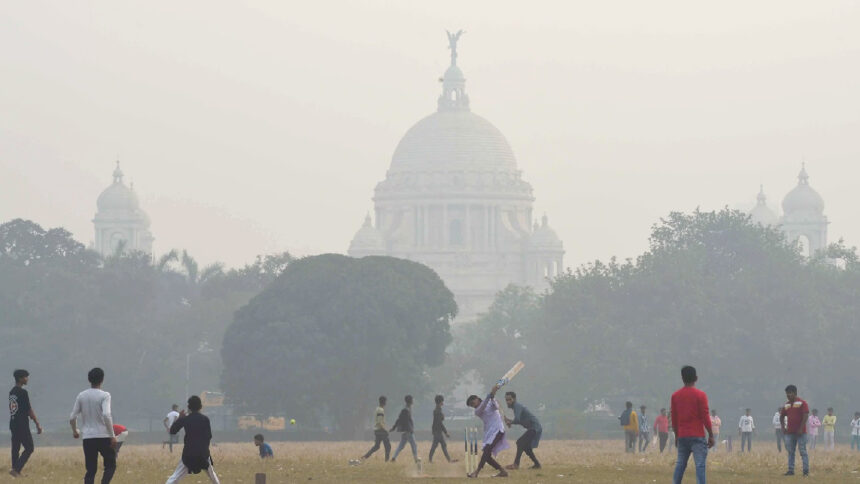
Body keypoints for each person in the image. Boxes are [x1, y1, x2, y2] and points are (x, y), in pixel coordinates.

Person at [70, 367, 117, 484]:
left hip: (88, 437)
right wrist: (112, 435)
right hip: (103, 435)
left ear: (89, 379)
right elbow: (106, 414)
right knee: (110, 464)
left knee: (90, 470)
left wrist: (75, 430)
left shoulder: (81, 395)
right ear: (102, 380)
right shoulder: (105, 395)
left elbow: (72, 417)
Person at [670, 365, 713, 484]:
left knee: (680, 463)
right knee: (700, 465)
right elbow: (705, 417)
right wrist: (711, 434)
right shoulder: (701, 395)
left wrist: (677, 435)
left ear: (682, 378)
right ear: (696, 378)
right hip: (697, 435)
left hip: (683, 435)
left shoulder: (675, 396)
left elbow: (674, 418)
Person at [165, 395, 220, 483]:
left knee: (174, 478)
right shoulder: (205, 419)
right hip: (203, 454)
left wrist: (179, 418)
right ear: (200, 406)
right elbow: (209, 436)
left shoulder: (185, 419)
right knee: (213, 476)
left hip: (188, 454)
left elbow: (172, 431)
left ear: (189, 407)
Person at [466, 384, 509, 478]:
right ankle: (503, 471)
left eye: (473, 403)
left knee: (486, 452)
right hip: (490, 433)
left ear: (477, 398)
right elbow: (483, 406)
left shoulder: (489, 402)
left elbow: (497, 406)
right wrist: (490, 395)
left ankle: (476, 472)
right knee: (487, 455)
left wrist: (492, 396)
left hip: (498, 430)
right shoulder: (477, 411)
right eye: (471, 405)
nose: (473, 406)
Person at [9, 369, 42, 478]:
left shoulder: (12, 392)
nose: (27, 379)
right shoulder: (23, 392)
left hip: (13, 423)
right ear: (20, 378)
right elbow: (29, 410)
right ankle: (17, 469)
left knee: (16, 447)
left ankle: (15, 471)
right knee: (29, 447)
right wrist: (37, 423)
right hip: (22, 424)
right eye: (25, 377)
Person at [503, 391, 541, 470]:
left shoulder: (517, 406)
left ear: (514, 399)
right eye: (506, 400)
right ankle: (537, 465)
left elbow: (517, 419)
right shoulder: (516, 407)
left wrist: (510, 422)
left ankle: (516, 464)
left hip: (534, 427)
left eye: (509, 399)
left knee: (519, 443)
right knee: (526, 448)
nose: (508, 402)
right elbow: (520, 421)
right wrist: (510, 421)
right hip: (534, 428)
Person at [779, 385, 809, 476]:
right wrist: (783, 427)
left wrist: (800, 428)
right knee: (790, 451)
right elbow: (782, 416)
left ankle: (805, 471)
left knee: (802, 451)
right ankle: (791, 470)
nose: (788, 395)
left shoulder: (802, 403)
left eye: (790, 393)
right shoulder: (787, 404)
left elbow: (805, 415)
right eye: (787, 394)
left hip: (800, 432)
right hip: (789, 432)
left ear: (795, 393)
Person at [360, 396, 390, 462]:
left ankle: (364, 457)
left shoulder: (377, 409)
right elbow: (379, 422)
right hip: (381, 430)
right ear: (384, 402)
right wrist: (385, 429)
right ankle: (387, 462)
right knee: (388, 447)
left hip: (377, 430)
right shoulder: (381, 410)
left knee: (376, 446)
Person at [390, 395, 418, 463]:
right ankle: (416, 459)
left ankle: (394, 457)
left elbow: (399, 419)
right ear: (410, 401)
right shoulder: (406, 410)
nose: (413, 401)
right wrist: (410, 429)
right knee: (414, 445)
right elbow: (403, 420)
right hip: (408, 431)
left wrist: (394, 427)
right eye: (412, 400)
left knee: (401, 445)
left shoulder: (407, 409)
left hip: (404, 431)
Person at [428, 395, 454, 463]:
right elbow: (440, 423)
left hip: (436, 430)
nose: (443, 402)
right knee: (438, 445)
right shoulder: (437, 411)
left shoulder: (437, 410)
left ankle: (448, 460)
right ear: (440, 402)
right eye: (442, 401)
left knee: (439, 445)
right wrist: (446, 432)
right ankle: (430, 460)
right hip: (437, 430)